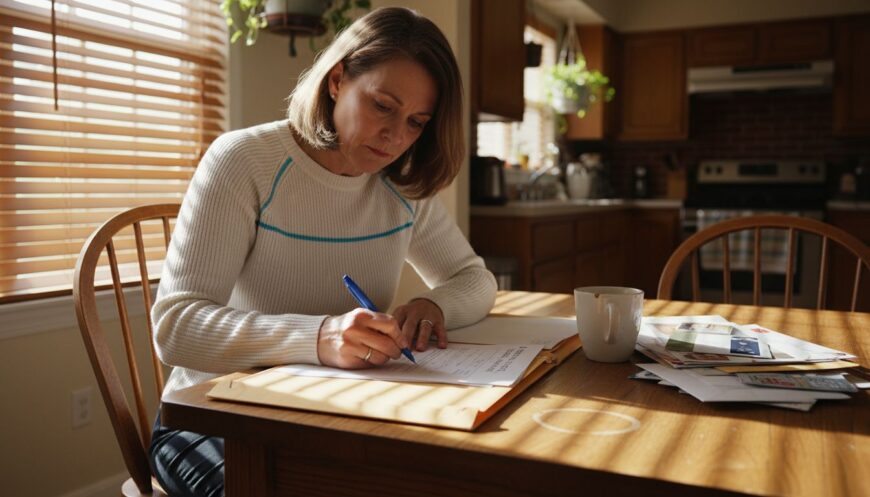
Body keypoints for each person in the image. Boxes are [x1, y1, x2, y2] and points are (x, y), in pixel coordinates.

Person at [148, 7, 497, 497]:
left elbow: (475, 279)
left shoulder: (401, 187)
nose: (396, 137)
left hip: (335, 414)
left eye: (417, 122)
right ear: (337, 80)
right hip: (215, 418)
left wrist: (434, 305)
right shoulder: (244, 162)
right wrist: (319, 337)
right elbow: (175, 327)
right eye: (382, 106)